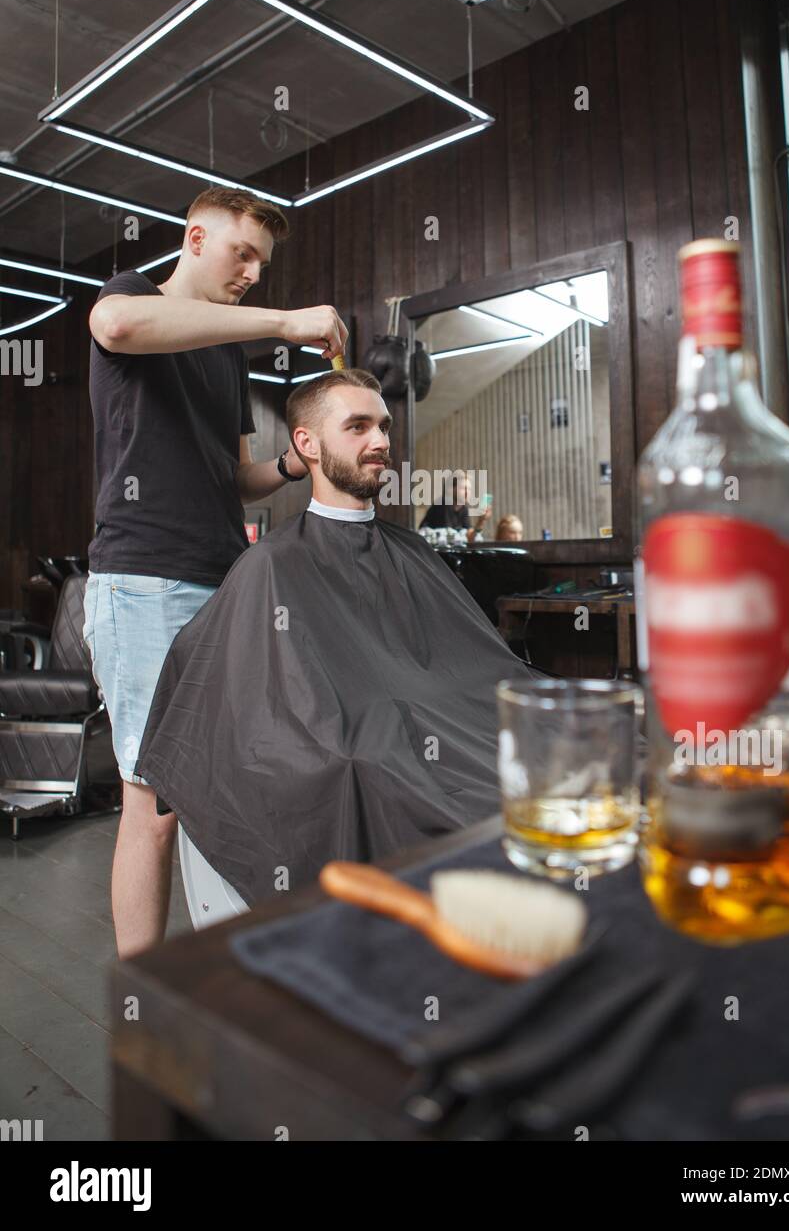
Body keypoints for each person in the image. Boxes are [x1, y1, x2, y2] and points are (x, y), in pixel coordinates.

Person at [134, 370, 538, 905]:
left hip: (459, 737)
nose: (381, 442)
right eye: (358, 426)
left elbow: (481, 667)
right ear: (308, 444)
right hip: (370, 758)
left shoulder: (413, 553)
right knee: (371, 768)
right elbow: (230, 693)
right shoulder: (271, 565)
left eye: (384, 427)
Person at [82, 186, 348, 958]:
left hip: (220, 580)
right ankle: (145, 989)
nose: (254, 274)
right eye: (244, 254)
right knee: (154, 800)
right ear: (195, 238)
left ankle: (221, 976)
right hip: (143, 579)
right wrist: (285, 323)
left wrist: (293, 463)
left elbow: (237, 478)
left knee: (224, 786)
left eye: (264, 265)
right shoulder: (133, 297)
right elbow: (121, 327)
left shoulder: (225, 354)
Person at [420, 469, 491, 543]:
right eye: (463, 488)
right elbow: (448, 538)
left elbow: (470, 537)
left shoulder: (463, 508)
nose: (467, 492)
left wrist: (481, 521)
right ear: (450, 489)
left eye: (469, 489)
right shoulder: (443, 504)